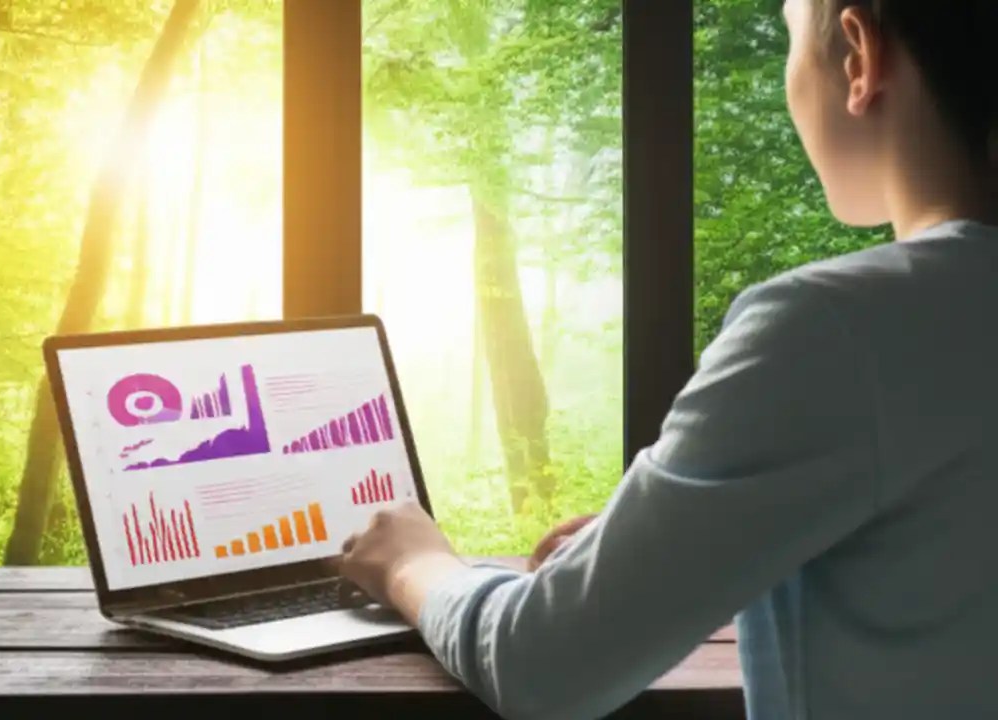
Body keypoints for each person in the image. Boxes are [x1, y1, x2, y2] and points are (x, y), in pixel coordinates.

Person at [337, 0, 998, 718]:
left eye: (786, 34)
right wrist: (680, 537)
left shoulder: (837, 328)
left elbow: (544, 662)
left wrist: (412, 562)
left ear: (859, 56)